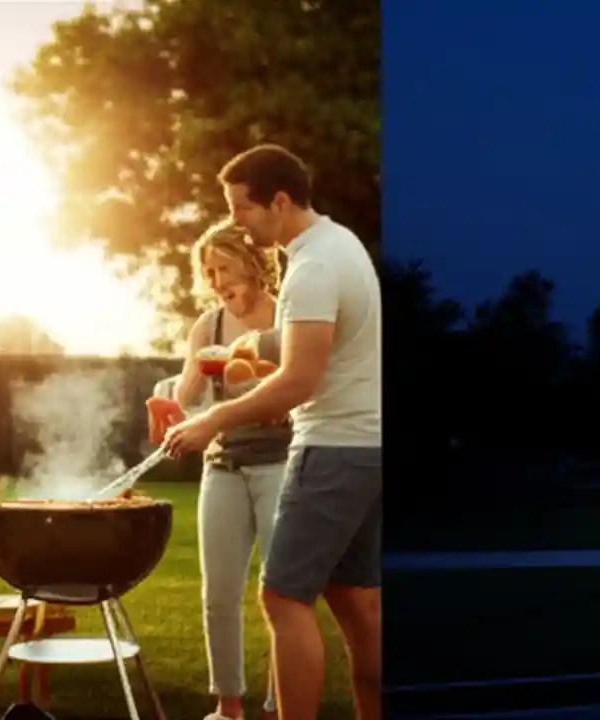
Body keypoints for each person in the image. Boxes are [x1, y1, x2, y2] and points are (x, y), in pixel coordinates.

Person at [164, 144, 382, 720]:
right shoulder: (341, 245)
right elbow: (315, 355)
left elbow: (300, 382)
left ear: (278, 202)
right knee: (357, 601)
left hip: (333, 448)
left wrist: (211, 418)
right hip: (366, 447)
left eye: (241, 208)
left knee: (282, 597)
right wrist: (250, 352)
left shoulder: (312, 266)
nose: (234, 219)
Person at [151, 219, 288, 720]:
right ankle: (227, 707)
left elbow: (306, 387)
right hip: (222, 466)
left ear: (251, 265)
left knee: (280, 594)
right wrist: (165, 401)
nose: (213, 280)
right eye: (206, 272)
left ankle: (279, 707)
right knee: (219, 593)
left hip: (279, 464)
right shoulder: (206, 329)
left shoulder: (288, 317)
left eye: (221, 267)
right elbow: (187, 393)